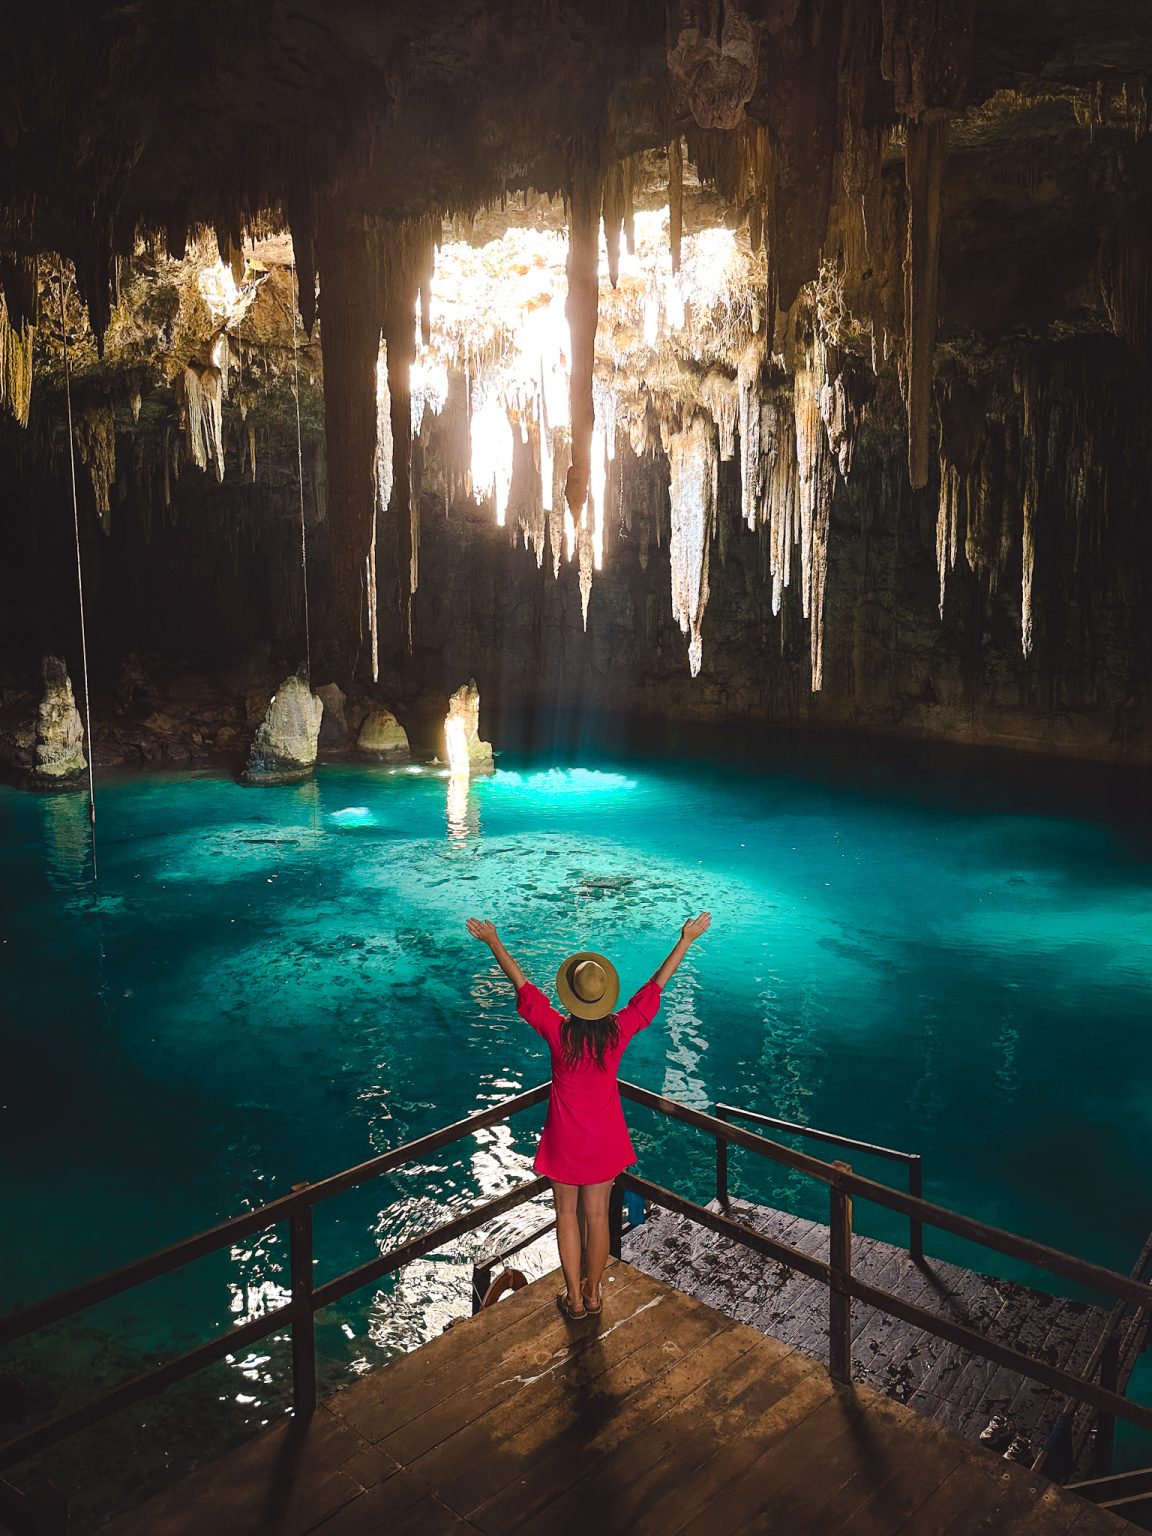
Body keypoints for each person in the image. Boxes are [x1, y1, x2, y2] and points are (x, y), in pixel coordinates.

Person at [465, 912, 712, 1320]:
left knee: (566, 1215)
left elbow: (524, 988)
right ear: (603, 999)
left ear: (573, 998)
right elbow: (653, 990)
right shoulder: (617, 1032)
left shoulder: (558, 1032)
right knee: (597, 1217)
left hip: (565, 1139)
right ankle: (594, 1295)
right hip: (604, 1138)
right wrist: (685, 940)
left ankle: (574, 1300)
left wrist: (493, 941)